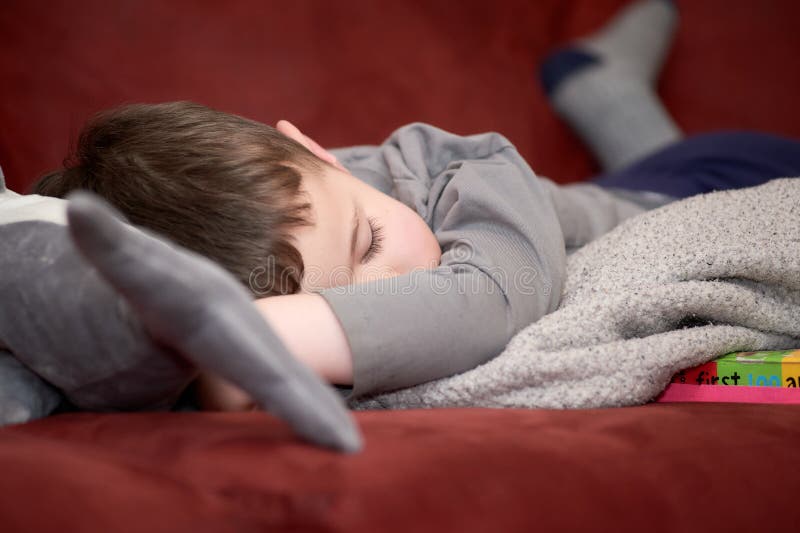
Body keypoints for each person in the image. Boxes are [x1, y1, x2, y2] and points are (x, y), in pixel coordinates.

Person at [35, 0, 800, 411]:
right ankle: (602, 88)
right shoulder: (310, 216)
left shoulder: (461, 166)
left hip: (704, 178)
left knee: (654, 171)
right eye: (339, 295)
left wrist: (237, 335)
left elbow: (484, 301)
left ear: (318, 150)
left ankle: (606, 89)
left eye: (368, 242)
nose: (396, 278)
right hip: (612, 188)